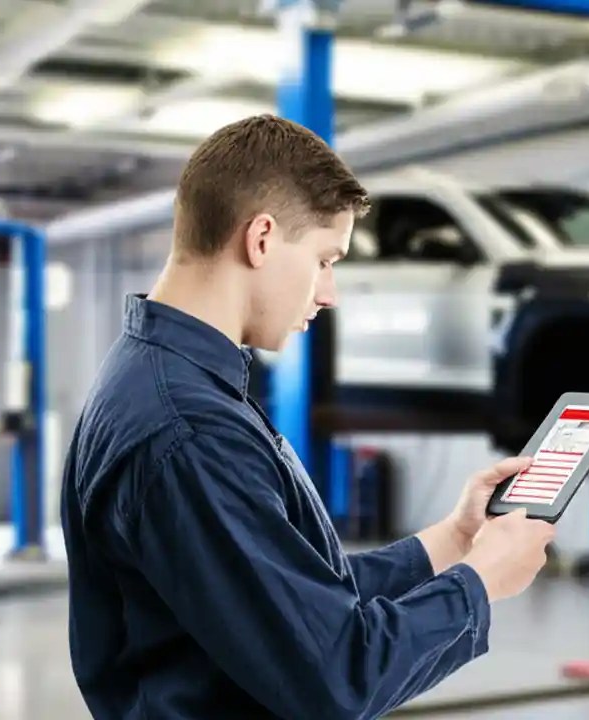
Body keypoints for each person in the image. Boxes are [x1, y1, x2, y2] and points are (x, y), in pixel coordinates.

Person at [59, 114, 557, 720]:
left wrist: (452, 542)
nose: (329, 293)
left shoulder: (168, 380)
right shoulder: (189, 431)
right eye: (325, 259)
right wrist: (481, 582)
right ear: (262, 239)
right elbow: (334, 677)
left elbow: (291, 596)